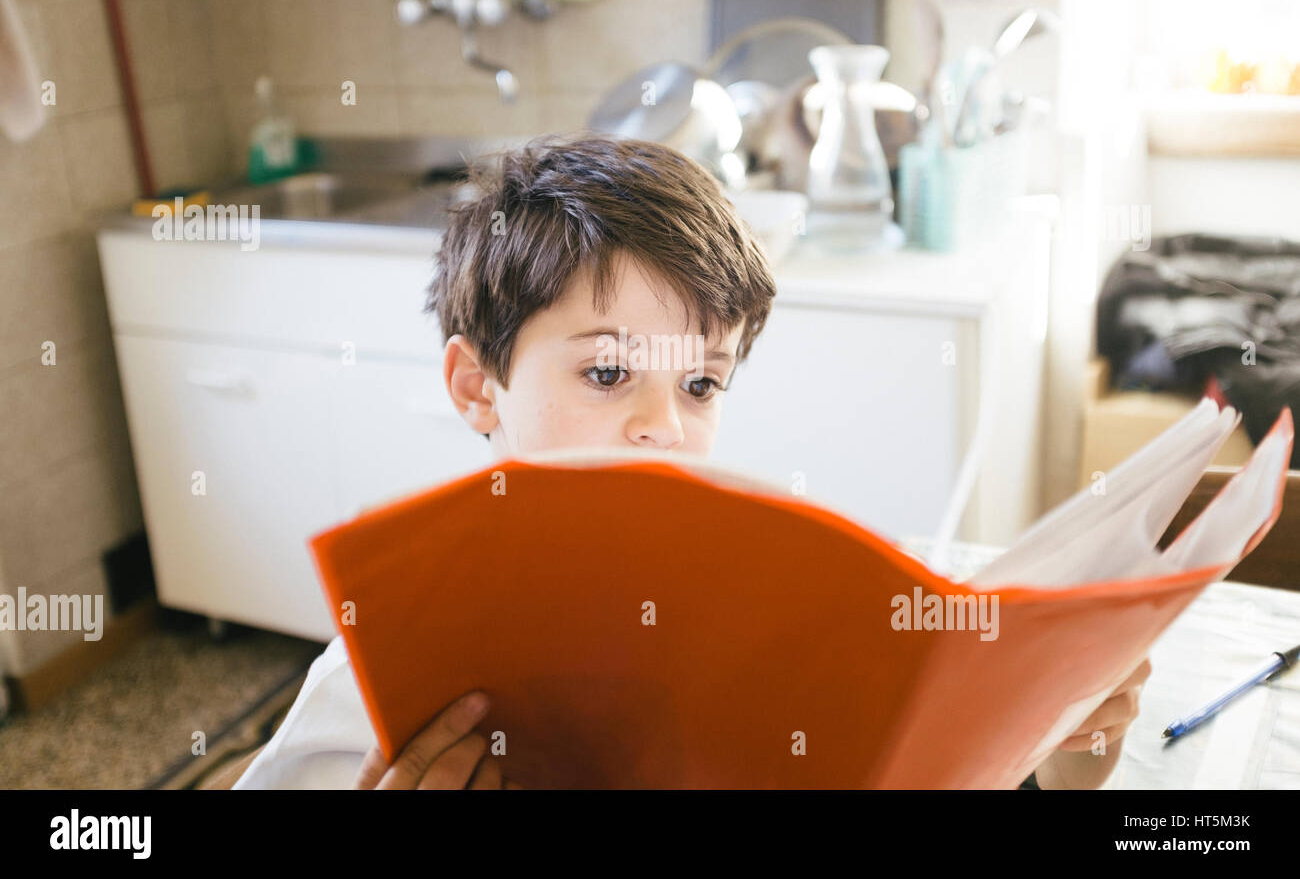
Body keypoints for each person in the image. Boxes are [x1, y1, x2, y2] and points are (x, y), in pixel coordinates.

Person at [233, 136, 1148, 789]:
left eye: (701, 386)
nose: (662, 426)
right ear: (478, 387)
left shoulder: (751, 617)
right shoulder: (386, 678)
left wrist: (1053, 766)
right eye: (606, 372)